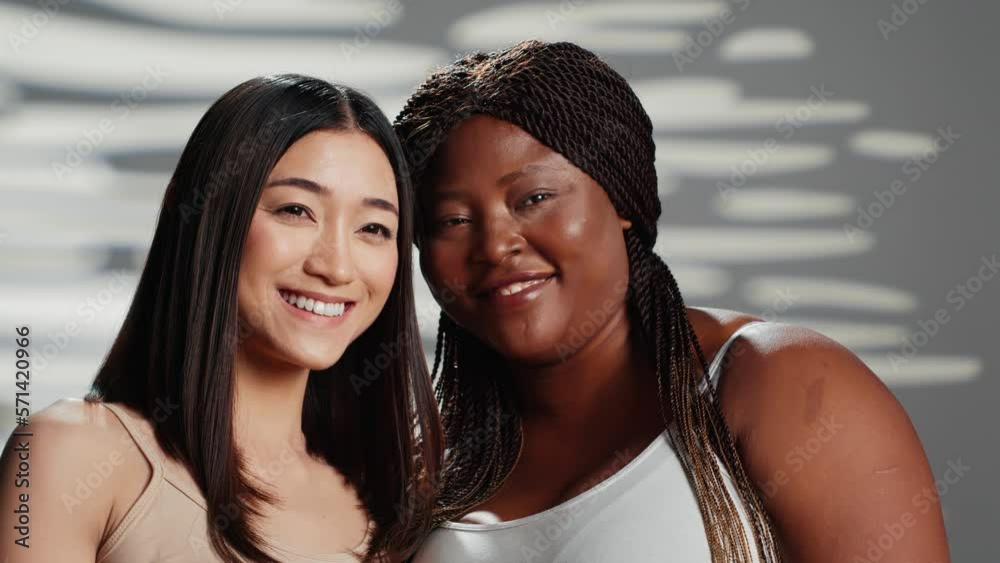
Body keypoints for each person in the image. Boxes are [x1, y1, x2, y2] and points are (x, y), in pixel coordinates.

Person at [394, 40, 950, 562]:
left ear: (620, 198)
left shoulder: (778, 383)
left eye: (535, 198)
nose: (494, 245)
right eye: (453, 220)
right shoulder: (424, 457)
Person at [0, 74, 441, 563]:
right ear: (201, 214)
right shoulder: (73, 453)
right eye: (296, 210)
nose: (336, 266)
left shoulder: (400, 501)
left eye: (374, 228)